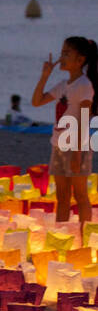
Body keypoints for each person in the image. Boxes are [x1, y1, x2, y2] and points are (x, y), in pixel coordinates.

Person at [31, 36, 98, 236]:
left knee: (80, 195)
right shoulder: (63, 85)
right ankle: (62, 236)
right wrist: (44, 76)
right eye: (62, 52)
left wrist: (77, 154)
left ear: (80, 60)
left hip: (78, 146)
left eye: (67, 54)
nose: (62, 57)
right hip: (59, 144)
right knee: (62, 196)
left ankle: (84, 237)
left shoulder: (84, 85)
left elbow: (85, 119)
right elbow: (37, 102)